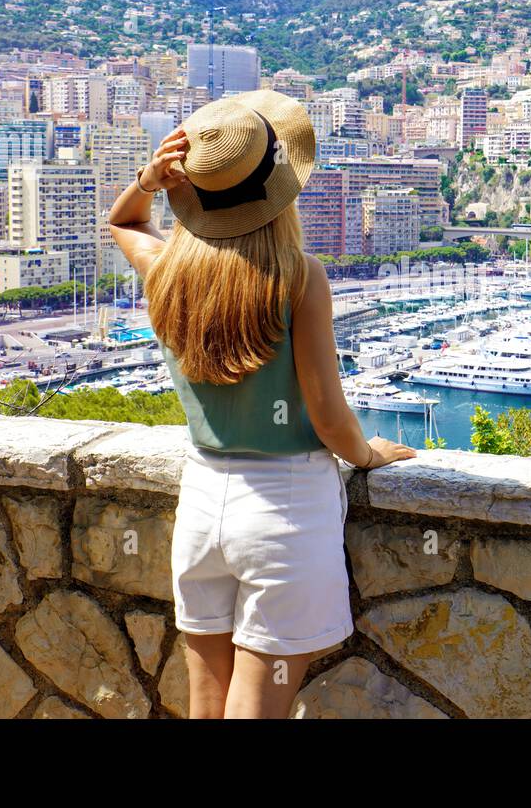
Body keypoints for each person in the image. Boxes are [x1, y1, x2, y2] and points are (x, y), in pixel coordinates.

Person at [107, 90, 415, 719]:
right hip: (285, 511)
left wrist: (147, 180)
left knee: (206, 704)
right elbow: (328, 415)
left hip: (201, 505)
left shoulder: (167, 269)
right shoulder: (298, 277)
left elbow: (125, 223)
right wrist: (368, 453)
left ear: (191, 191)